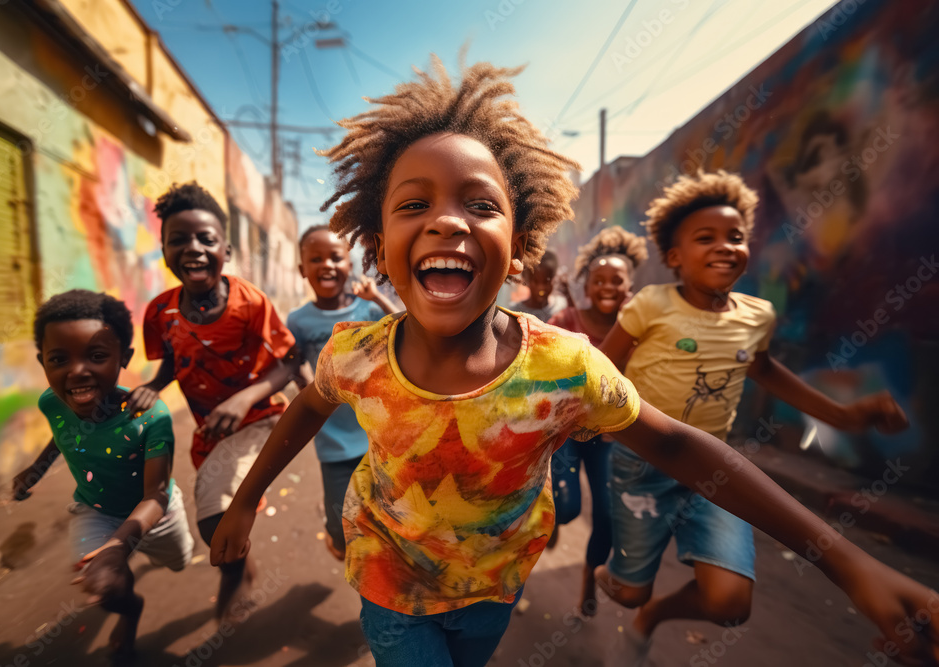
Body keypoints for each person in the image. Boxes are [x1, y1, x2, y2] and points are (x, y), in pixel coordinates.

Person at [209, 59, 938, 667]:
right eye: (413, 204)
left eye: (480, 203)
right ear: (378, 239)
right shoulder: (356, 354)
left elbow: (681, 443)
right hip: (388, 579)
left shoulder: (565, 366)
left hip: (496, 583)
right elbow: (307, 406)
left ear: (520, 241)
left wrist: (848, 561)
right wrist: (244, 500)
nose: (446, 219)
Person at [597, 169, 914, 665]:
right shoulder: (649, 305)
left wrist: (846, 415)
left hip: (717, 472)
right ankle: (618, 584)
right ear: (674, 257)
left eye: (736, 237)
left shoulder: (757, 316)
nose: (725, 246)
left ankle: (651, 617)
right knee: (626, 590)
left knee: (729, 604)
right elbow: (600, 368)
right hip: (642, 465)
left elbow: (766, 370)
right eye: (706, 238)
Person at [126, 182, 300, 623]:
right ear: (164, 249)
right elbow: (171, 361)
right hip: (210, 431)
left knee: (214, 517)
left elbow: (289, 362)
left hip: (259, 419)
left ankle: (234, 575)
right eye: (178, 239)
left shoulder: (249, 303)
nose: (194, 249)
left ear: (226, 247)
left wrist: (244, 399)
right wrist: (155, 385)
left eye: (206, 239)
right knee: (222, 508)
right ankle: (242, 560)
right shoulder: (160, 312)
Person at [12, 290, 194, 660]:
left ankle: (137, 557)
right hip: (96, 510)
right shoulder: (51, 401)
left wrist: (118, 545)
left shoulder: (150, 417)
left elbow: (155, 495)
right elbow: (61, 436)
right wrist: (36, 469)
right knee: (107, 585)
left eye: (96, 356)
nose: (77, 371)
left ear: (123, 358)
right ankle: (130, 612)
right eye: (59, 358)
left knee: (178, 562)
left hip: (156, 517)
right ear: (42, 361)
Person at [546, 226, 648, 615]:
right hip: (568, 432)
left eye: (616, 280)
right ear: (587, 284)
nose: (607, 286)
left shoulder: (638, 326)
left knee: (606, 515)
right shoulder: (565, 318)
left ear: (629, 286)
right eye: (598, 279)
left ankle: (589, 577)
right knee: (568, 508)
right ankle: (553, 521)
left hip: (609, 437)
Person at [286, 224, 398, 561]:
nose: (327, 265)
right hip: (333, 440)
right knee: (339, 527)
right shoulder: (298, 320)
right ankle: (334, 532)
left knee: (388, 519)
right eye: (316, 259)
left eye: (336, 257)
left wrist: (377, 297)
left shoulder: (369, 311)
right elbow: (292, 362)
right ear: (302, 269)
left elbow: (408, 329)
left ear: (349, 265)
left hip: (380, 436)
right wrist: (311, 389)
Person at [509, 248, 566, 321]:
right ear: (527, 280)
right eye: (535, 282)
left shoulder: (561, 308)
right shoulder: (516, 312)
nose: (541, 288)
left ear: (554, 279)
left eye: (546, 281)